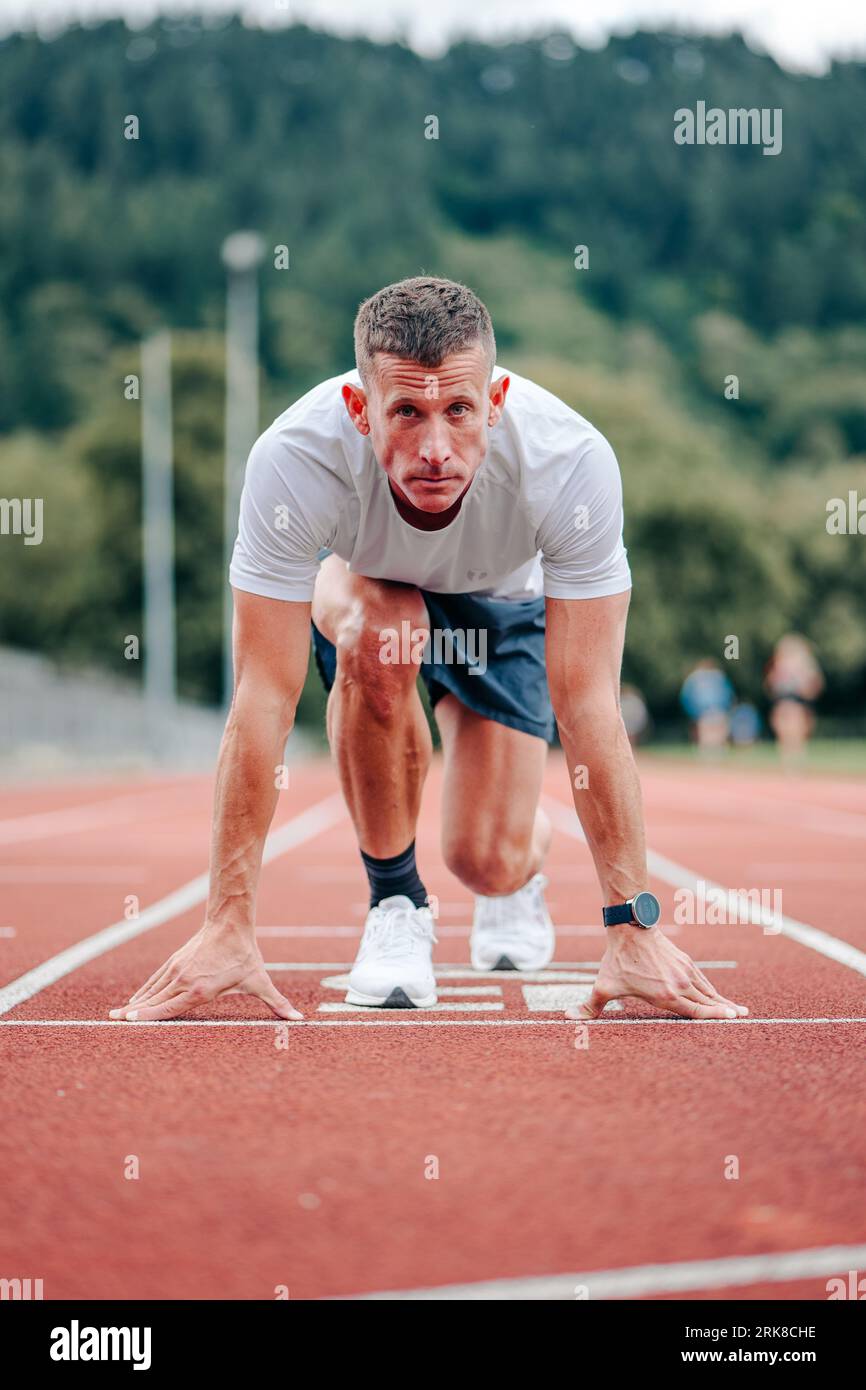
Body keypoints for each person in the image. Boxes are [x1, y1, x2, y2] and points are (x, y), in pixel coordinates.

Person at [110, 277, 747, 1023]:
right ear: (360, 410)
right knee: (384, 630)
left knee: (485, 859)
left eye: (459, 411)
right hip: (371, 587)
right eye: (406, 412)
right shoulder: (293, 458)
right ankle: (395, 907)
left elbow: (589, 704)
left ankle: (522, 859)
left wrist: (632, 926)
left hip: (507, 605)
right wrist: (226, 922)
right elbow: (261, 696)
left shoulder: (570, 462)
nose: (435, 450)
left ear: (496, 402)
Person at [765, 634, 824, 762]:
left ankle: (796, 761)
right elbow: (770, 684)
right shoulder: (778, 665)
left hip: (797, 703)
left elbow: (814, 686)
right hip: (783, 702)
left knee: (797, 733)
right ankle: (787, 761)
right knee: (784, 732)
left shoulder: (805, 666)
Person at [679, 660, 734, 752]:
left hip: (703, 712)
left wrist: (692, 713)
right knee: (718, 737)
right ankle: (719, 755)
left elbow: (686, 697)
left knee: (707, 738)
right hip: (718, 710)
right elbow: (729, 694)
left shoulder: (694, 678)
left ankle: (707, 756)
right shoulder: (719, 676)